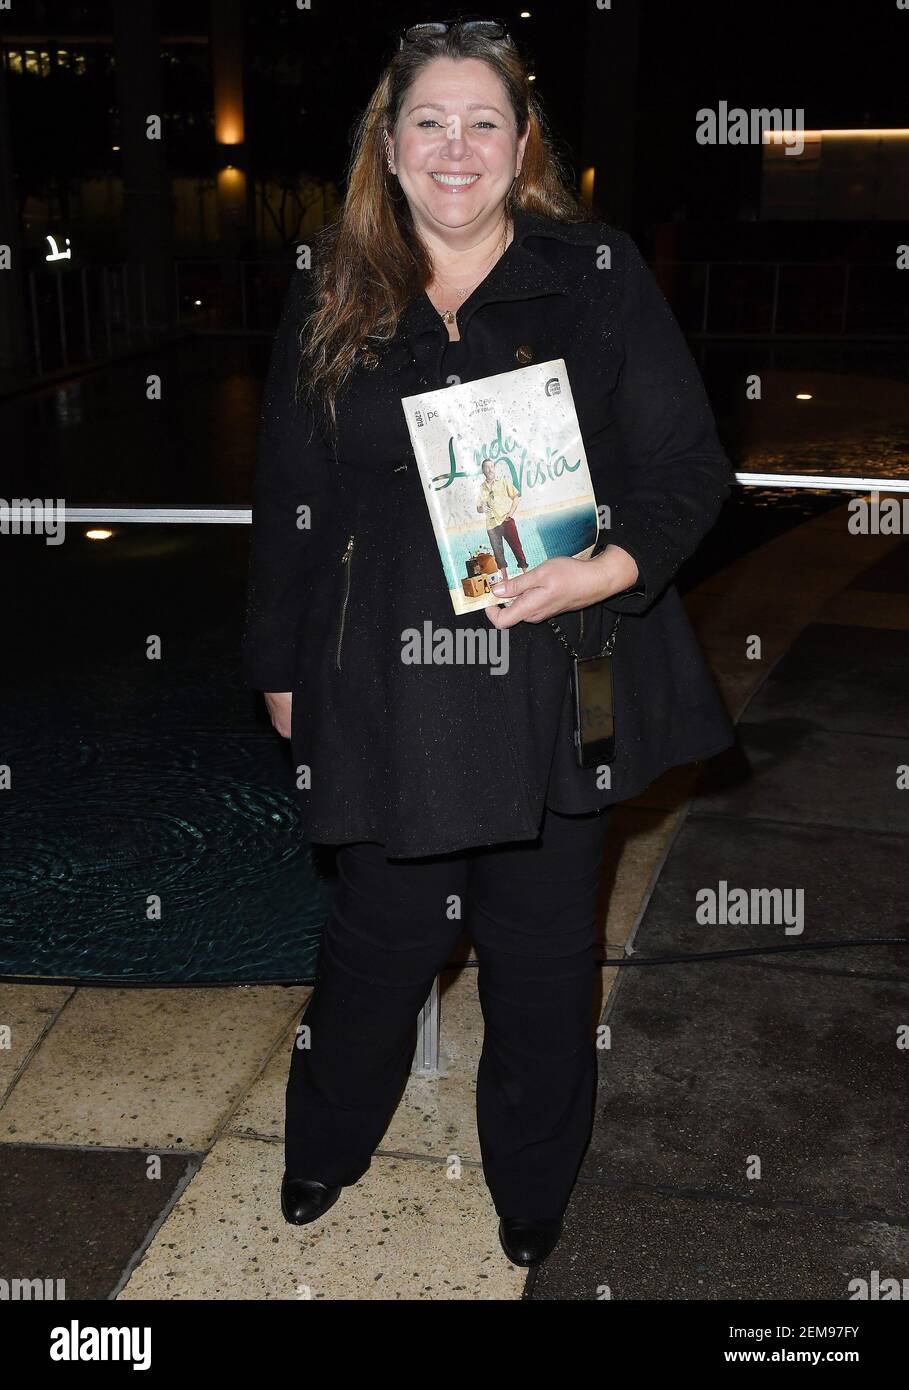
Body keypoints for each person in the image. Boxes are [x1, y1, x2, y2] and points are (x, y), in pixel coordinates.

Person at [241, 17, 735, 1268]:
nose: (454, 147)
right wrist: (280, 667)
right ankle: (324, 1145)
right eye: (428, 121)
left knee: (541, 953)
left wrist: (607, 567)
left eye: (482, 122)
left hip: (561, 675)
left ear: (521, 148)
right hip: (386, 686)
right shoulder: (331, 280)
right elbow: (290, 493)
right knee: (377, 945)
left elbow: (688, 467)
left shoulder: (599, 273)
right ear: (389, 146)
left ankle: (530, 1181)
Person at [477, 457, 528, 578]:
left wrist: (510, 514)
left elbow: (516, 497)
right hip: (491, 525)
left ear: (494, 468)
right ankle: (505, 579)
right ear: (483, 470)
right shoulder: (480, 488)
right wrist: (481, 509)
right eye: (486, 467)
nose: (490, 469)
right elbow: (478, 507)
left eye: (492, 467)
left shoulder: (504, 481)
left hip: (506, 521)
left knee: (517, 547)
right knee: (498, 554)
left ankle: (526, 574)